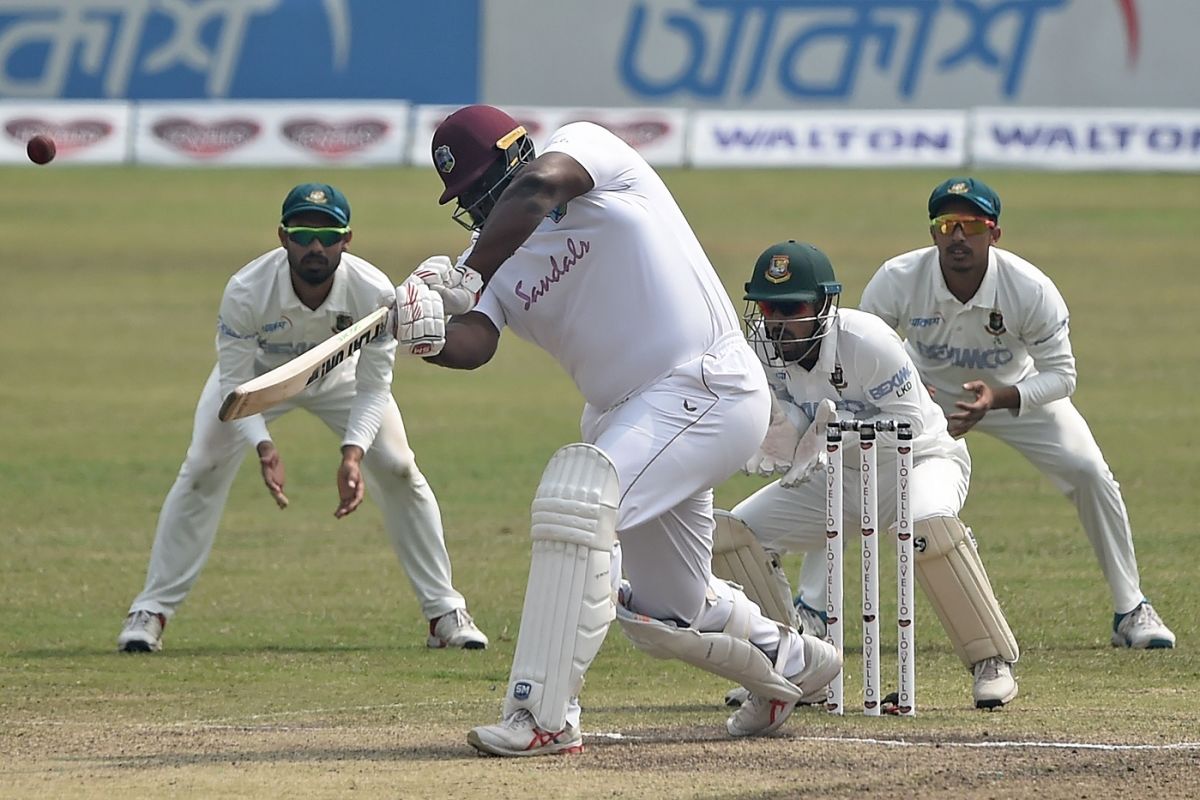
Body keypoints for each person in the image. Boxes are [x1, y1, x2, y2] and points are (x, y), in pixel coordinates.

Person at [387, 105, 840, 757]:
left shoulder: (585, 152)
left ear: (516, 154)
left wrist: (465, 272)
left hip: (705, 385)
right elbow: (476, 340)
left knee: (575, 502)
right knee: (668, 606)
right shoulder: (488, 260)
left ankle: (542, 713)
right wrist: (426, 334)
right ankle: (794, 664)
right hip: (633, 416)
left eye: (486, 186)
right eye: (467, 199)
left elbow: (540, 188)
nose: (480, 205)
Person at [116, 182, 487, 653]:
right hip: (257, 381)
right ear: (282, 236)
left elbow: (374, 387)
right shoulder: (247, 290)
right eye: (303, 233)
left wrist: (352, 455)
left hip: (340, 377)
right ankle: (151, 610)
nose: (316, 246)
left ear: (347, 239)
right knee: (202, 467)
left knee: (398, 467)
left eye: (329, 235)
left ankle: (444, 612)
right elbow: (234, 385)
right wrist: (263, 447)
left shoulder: (374, 292)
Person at [854, 176, 1174, 649]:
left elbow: (1062, 376)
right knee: (850, 466)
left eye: (972, 225)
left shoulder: (1029, 288)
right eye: (947, 224)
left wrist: (997, 399)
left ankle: (1131, 609)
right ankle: (815, 608)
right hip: (921, 395)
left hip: (1012, 391)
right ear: (933, 233)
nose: (958, 236)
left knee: (1088, 470)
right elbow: (867, 350)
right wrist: (909, 388)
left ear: (994, 234)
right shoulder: (898, 277)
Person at [727, 240, 1021, 710]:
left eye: (791, 307)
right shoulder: (765, 350)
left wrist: (831, 432)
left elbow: (910, 425)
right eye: (767, 307)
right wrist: (777, 435)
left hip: (919, 461)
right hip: (838, 475)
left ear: (823, 304)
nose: (777, 322)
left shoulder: (867, 340)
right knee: (735, 535)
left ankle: (992, 661)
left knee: (928, 525)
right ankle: (795, 665)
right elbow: (786, 419)